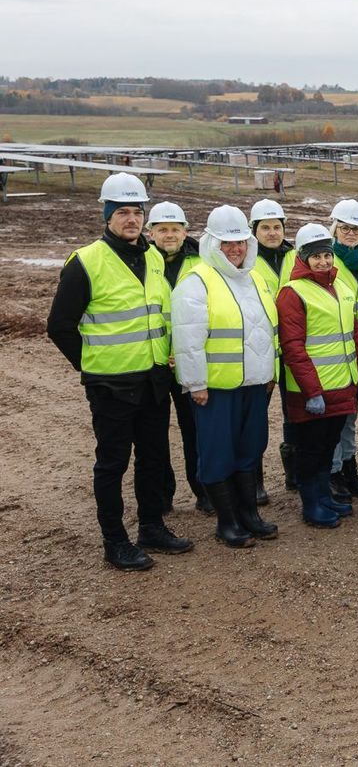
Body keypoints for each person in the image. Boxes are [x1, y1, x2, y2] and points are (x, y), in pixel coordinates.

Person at [47, 172, 192, 571]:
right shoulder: (86, 262)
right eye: (122, 212)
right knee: (112, 464)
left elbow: (160, 315)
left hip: (152, 381)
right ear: (107, 215)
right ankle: (115, 541)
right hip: (111, 386)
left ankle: (151, 526)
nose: (131, 219)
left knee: (153, 457)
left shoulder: (152, 257)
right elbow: (59, 325)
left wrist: (166, 356)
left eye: (136, 211)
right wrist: (92, 365)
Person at [172, 205, 279, 548]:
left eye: (240, 243)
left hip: (253, 385)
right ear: (212, 244)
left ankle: (249, 514)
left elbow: (267, 332)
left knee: (249, 448)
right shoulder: (197, 282)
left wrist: (269, 372)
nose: (235, 250)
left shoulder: (256, 280)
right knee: (218, 452)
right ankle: (227, 522)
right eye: (227, 244)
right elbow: (188, 339)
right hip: (216, 388)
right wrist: (196, 383)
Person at [277, 223, 358, 528]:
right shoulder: (293, 293)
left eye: (327, 255)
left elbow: (354, 337)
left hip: (341, 386)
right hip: (312, 393)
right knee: (310, 449)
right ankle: (311, 503)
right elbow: (293, 348)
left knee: (328, 446)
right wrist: (312, 391)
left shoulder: (341, 289)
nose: (323, 261)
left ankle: (324, 496)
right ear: (303, 258)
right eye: (316, 256)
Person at [145, 200, 204, 513]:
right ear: (150, 232)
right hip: (153, 362)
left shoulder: (200, 262)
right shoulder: (141, 261)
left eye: (175, 229)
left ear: (185, 231)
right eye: (162, 229)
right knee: (154, 435)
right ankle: (162, 495)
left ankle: (203, 491)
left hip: (188, 361)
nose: (169, 234)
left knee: (195, 431)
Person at [327, 198, 358, 501]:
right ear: (335, 228)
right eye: (345, 227)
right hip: (336, 346)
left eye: (356, 228)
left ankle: (349, 468)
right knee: (336, 414)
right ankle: (333, 472)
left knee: (350, 414)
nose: (350, 233)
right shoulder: (326, 258)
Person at [248, 198, 297, 493]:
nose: (271, 232)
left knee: (295, 414)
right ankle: (255, 482)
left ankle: (294, 473)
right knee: (256, 417)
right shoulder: (246, 259)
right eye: (265, 227)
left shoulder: (295, 257)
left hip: (291, 347)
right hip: (260, 348)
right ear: (254, 230)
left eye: (276, 226)